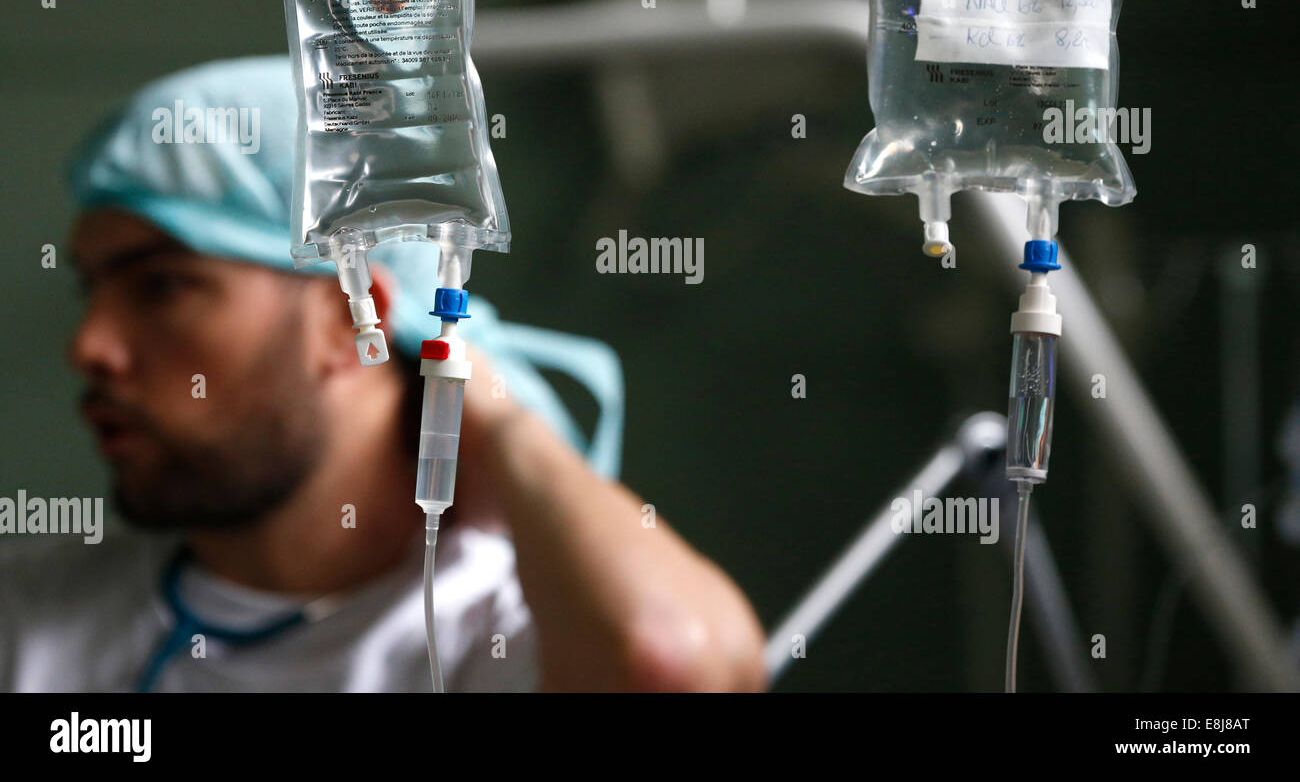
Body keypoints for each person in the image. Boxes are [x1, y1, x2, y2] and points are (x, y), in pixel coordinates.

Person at [0, 57, 766, 692]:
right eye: (89, 291)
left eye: (160, 286)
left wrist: (490, 408)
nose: (88, 347)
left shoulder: (495, 637)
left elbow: (670, 660)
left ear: (350, 313)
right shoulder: (30, 617)